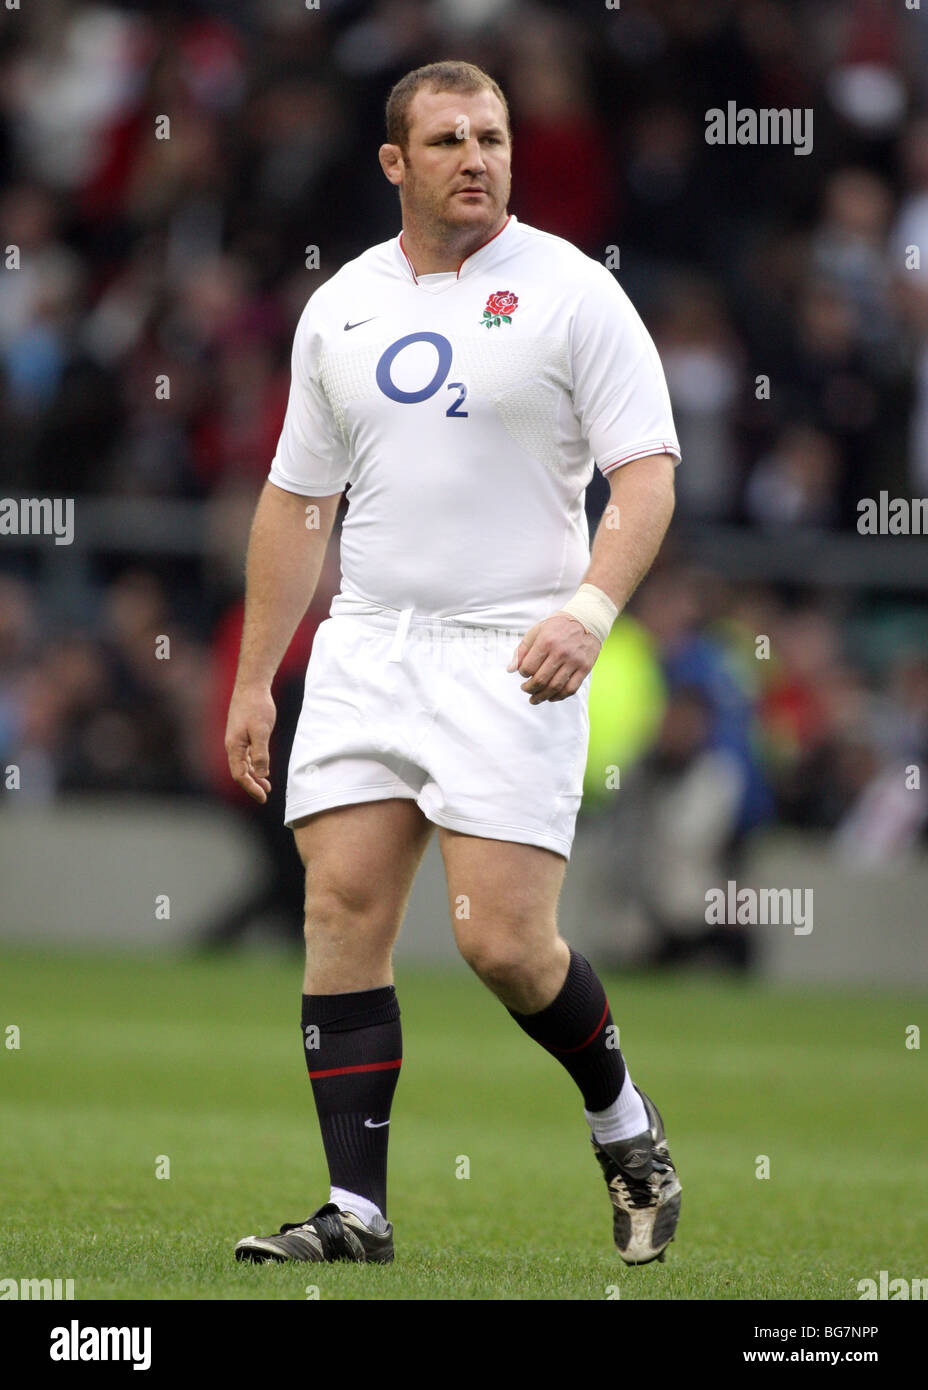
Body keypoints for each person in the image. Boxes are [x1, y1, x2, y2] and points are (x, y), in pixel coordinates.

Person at [226, 60, 681, 1268]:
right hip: (370, 643)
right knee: (340, 911)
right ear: (395, 163)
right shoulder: (341, 307)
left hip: (513, 650)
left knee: (500, 943)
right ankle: (356, 1214)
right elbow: (293, 499)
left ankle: (625, 1128)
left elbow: (646, 474)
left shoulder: (574, 292)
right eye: (445, 139)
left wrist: (587, 609)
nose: (474, 155)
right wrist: (254, 675)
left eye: (491, 135)